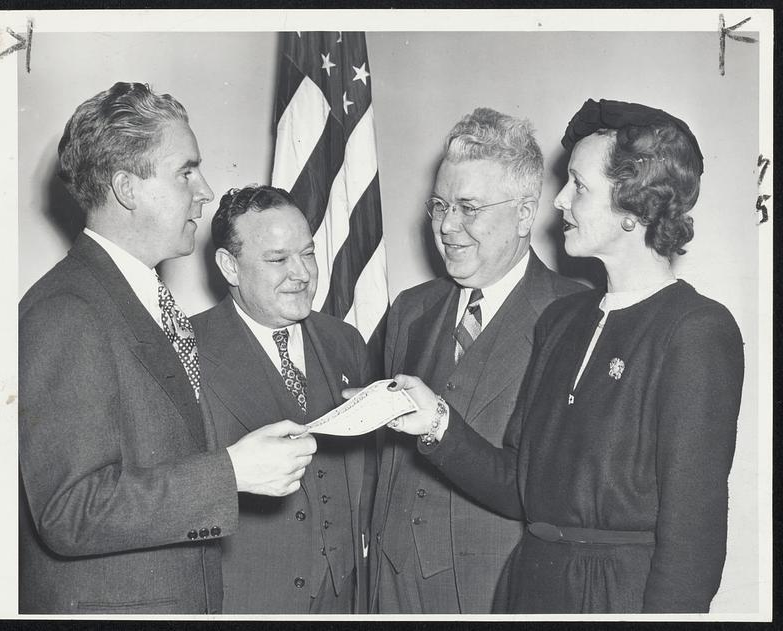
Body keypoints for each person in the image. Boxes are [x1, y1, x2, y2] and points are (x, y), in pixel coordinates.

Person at [385, 98, 744, 613]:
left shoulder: (696, 330)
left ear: (634, 205)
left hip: (619, 599)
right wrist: (437, 422)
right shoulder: (561, 321)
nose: (558, 201)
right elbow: (520, 487)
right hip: (529, 589)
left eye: (578, 185)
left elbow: (694, 541)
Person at [18, 83, 317, 614]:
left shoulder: (141, 297)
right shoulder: (66, 309)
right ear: (127, 188)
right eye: (186, 172)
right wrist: (231, 473)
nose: (205, 190)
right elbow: (69, 511)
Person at [368, 108, 583, 613]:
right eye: (440, 205)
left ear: (525, 214)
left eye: (469, 208)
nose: (447, 226)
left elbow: (557, 487)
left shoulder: (575, 315)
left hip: (497, 591)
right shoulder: (410, 310)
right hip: (391, 585)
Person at [191, 185, 374, 613]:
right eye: (278, 260)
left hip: (342, 597)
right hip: (245, 602)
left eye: (307, 253)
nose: (302, 274)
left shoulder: (344, 341)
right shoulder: (186, 349)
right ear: (229, 266)